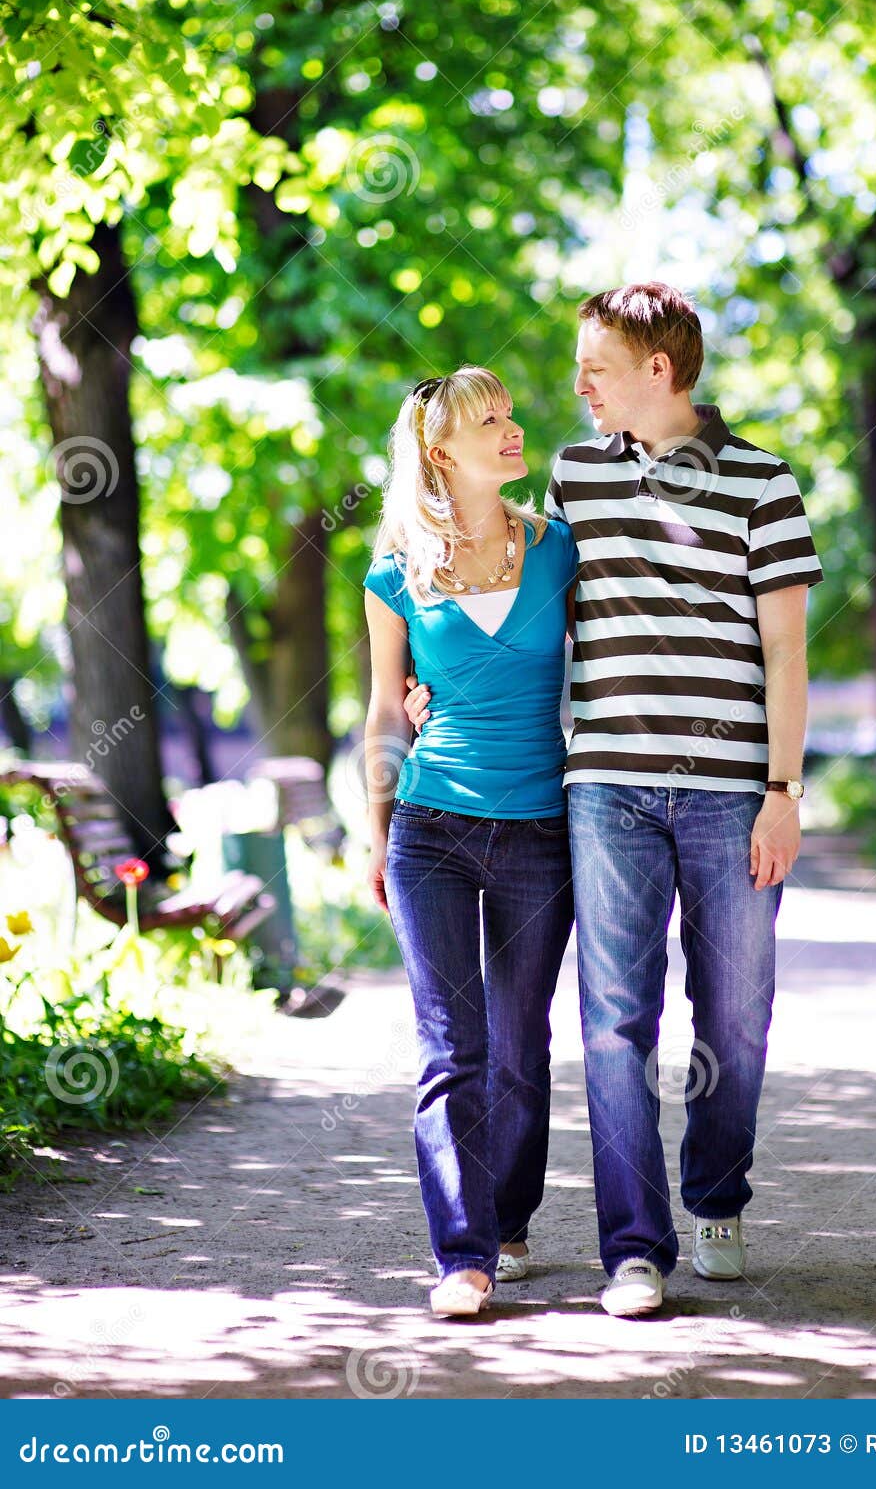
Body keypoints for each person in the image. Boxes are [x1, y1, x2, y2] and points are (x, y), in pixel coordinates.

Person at [403, 283, 824, 1317]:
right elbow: (499, 582)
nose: (579, 383)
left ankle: (716, 1194)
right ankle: (635, 1248)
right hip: (603, 791)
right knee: (612, 1021)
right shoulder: (574, 479)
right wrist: (433, 685)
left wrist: (783, 791)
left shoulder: (764, 483)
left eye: (596, 364)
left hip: (732, 795)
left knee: (737, 1013)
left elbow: (786, 649)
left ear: (660, 371)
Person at [361, 367, 578, 1318]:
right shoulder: (393, 573)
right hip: (430, 829)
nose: (510, 426)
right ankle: (461, 1256)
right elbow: (381, 711)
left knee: (519, 1042)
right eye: (486, 420)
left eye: (509, 413)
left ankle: (510, 1219)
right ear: (440, 452)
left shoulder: (560, 551)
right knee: (452, 1048)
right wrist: (372, 834)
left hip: (538, 828)